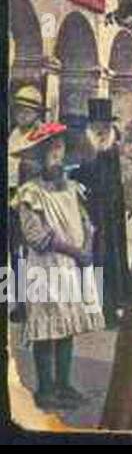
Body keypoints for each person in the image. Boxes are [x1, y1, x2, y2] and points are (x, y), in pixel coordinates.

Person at [11, 122, 104, 410]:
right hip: (45, 267)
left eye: (60, 148)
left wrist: (86, 249)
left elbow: (89, 224)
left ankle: (64, 384)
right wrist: (75, 250)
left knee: (67, 326)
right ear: (38, 157)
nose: (56, 155)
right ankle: (46, 387)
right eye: (50, 150)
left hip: (74, 266)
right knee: (45, 328)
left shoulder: (74, 189)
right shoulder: (30, 193)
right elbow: (36, 236)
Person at [70, 99, 131, 330]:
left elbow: (117, 182)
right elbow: (75, 176)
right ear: (91, 124)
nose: (101, 129)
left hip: (111, 215)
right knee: (89, 257)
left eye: (105, 124)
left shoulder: (112, 147)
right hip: (88, 212)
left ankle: (109, 307)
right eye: (97, 124)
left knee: (110, 260)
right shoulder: (83, 146)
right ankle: (89, 307)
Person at [8, 84, 47, 324]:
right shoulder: (12, 134)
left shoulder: (43, 136)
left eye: (28, 111)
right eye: (19, 110)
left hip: (32, 202)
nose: (22, 114)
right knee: (15, 254)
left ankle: (35, 303)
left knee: (34, 253)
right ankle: (20, 301)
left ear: (37, 114)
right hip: (10, 200)